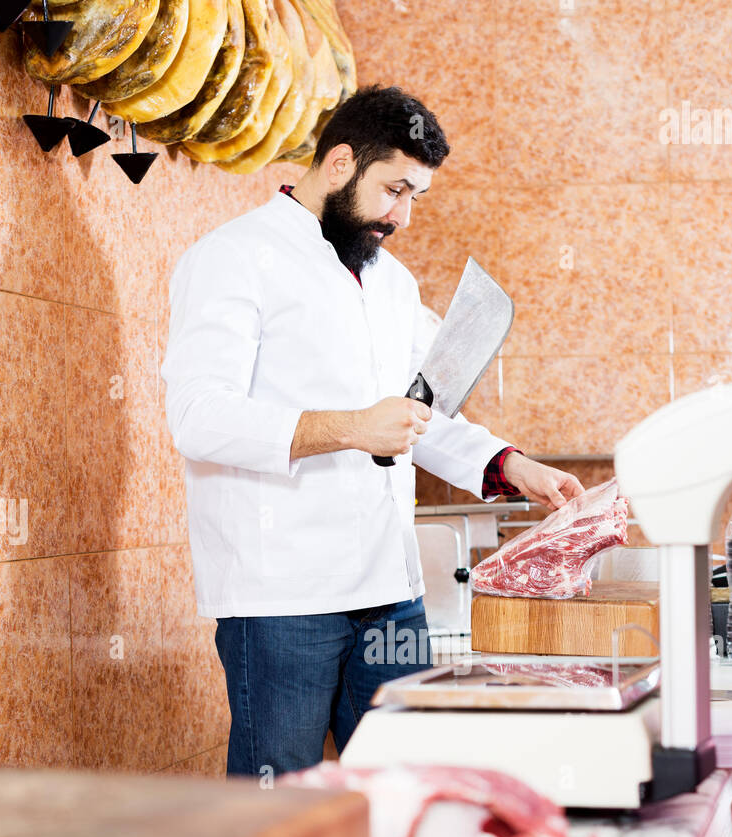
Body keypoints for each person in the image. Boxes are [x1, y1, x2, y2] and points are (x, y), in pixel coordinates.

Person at [162, 85, 583, 777]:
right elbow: (200, 417)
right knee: (282, 811)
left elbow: (424, 412)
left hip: (390, 592)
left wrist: (512, 465)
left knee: (409, 790)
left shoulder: (392, 283)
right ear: (339, 164)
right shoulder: (232, 257)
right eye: (394, 190)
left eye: (416, 195)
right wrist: (353, 427)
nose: (403, 216)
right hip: (281, 598)